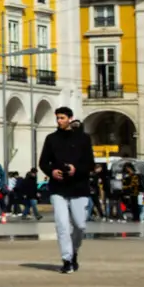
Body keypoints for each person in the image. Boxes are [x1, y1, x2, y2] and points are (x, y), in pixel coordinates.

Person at [39, 107, 96, 273]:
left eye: (62, 118)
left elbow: (90, 164)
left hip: (79, 187)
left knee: (80, 225)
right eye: (57, 118)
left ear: (70, 118)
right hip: (58, 188)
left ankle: (74, 251)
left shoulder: (84, 139)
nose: (59, 121)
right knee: (62, 225)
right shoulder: (51, 139)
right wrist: (52, 171)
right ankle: (67, 259)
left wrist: (75, 169)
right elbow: (43, 162)